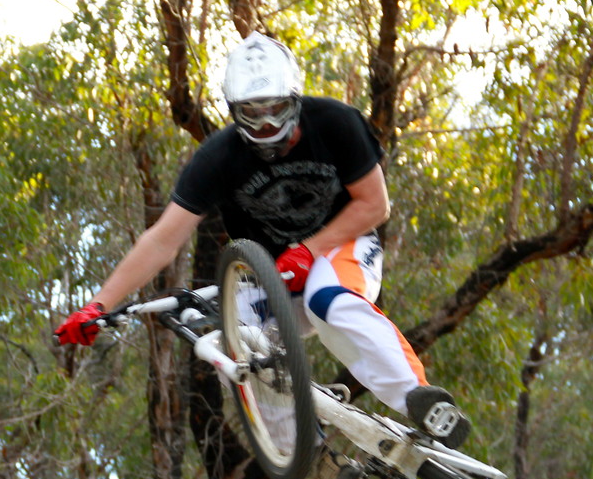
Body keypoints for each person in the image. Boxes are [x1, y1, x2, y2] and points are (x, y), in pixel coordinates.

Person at [56, 33, 471, 451]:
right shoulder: (216, 158)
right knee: (234, 347)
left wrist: (310, 250)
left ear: (296, 100)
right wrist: (100, 303)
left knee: (329, 301)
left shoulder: (335, 122)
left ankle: (421, 400)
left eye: (276, 109)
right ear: (234, 113)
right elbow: (163, 240)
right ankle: (304, 448)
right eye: (252, 114)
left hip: (340, 250)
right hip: (271, 276)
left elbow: (375, 205)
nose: (267, 124)